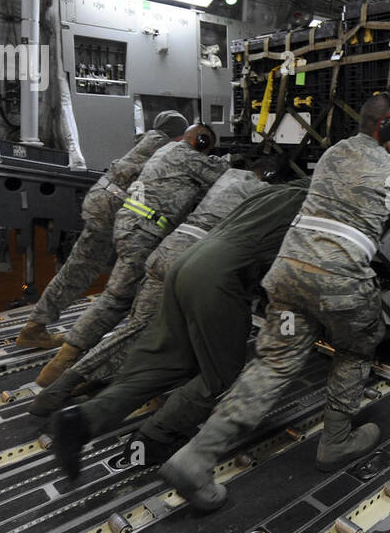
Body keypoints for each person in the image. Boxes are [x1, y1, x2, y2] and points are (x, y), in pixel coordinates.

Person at [158, 93, 390, 509]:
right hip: (338, 282)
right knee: (357, 346)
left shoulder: (334, 154)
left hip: (288, 276)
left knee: (273, 363)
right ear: (387, 128)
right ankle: (336, 442)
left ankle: (196, 457)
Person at [44, 179, 312, 478]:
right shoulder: (314, 206)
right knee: (220, 375)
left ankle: (81, 421)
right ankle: (156, 437)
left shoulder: (278, 190)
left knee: (167, 363)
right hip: (219, 279)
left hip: (187, 263)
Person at [27, 156, 273, 416]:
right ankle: (81, 384)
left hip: (165, 251)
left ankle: (75, 379)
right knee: (155, 331)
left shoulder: (224, 178)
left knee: (138, 324)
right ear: (267, 175)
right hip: (192, 260)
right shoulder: (264, 194)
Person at [35, 123, 225, 386]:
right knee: (122, 302)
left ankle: (66, 359)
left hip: (130, 226)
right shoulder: (191, 157)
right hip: (144, 232)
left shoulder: (167, 149)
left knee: (118, 296)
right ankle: (74, 367)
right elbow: (226, 175)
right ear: (201, 143)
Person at [15, 110, 188, 349]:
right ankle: (59, 334)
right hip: (115, 209)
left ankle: (35, 326)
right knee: (125, 273)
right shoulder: (169, 148)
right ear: (179, 135)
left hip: (100, 199)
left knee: (79, 266)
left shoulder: (147, 140)